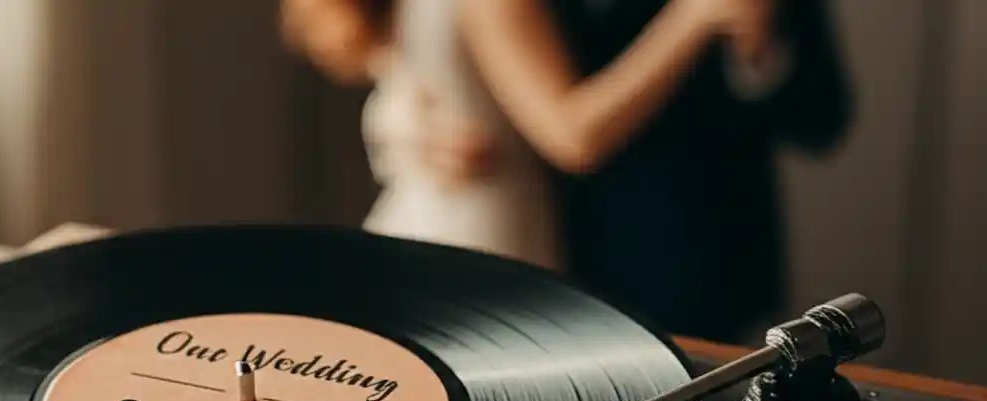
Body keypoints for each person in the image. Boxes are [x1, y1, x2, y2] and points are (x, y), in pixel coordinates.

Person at [282, 0, 851, 342]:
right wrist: (394, 124)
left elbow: (821, 112)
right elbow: (566, 131)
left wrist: (758, 47)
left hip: (689, 257)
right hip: (509, 238)